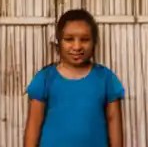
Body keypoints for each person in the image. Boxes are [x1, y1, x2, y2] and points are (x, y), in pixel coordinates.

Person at [23, 9, 125, 147]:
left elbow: (114, 123)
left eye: (85, 40)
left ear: (94, 42)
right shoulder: (45, 79)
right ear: (58, 42)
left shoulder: (106, 79)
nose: (77, 46)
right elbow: (33, 126)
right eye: (69, 39)